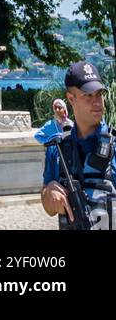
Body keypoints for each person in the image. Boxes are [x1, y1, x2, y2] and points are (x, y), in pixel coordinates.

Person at [41, 62, 115, 230]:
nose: (97, 102)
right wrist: (50, 192)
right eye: (88, 96)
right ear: (71, 98)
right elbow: (47, 206)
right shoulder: (57, 148)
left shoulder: (114, 146)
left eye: (99, 94)